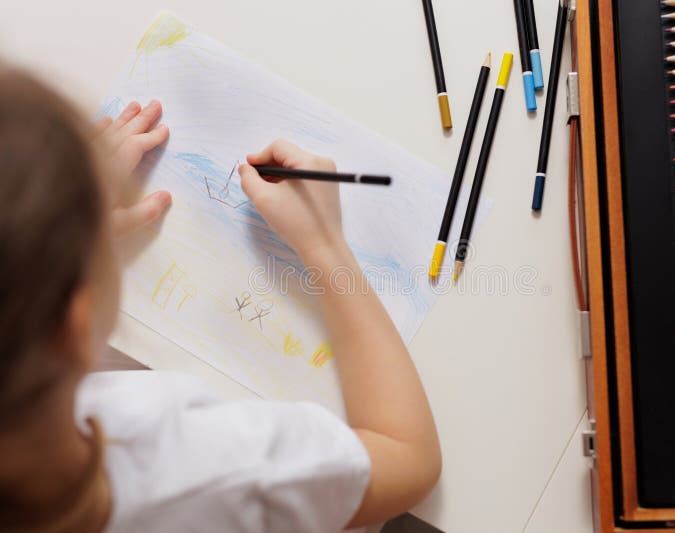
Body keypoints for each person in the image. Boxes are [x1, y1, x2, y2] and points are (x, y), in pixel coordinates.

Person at [0, 66, 441, 532]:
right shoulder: (204, 469)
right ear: (76, 322)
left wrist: (50, 242)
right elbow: (408, 458)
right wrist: (325, 246)